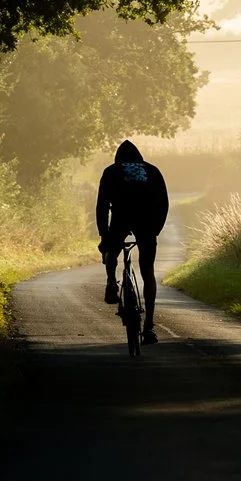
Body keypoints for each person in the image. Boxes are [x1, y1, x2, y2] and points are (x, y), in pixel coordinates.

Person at [96, 138, 168, 340]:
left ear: (118, 158)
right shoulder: (152, 171)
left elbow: (102, 207)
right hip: (146, 222)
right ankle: (149, 326)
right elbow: (163, 203)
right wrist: (156, 230)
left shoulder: (111, 171)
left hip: (120, 218)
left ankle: (111, 282)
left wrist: (104, 236)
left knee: (111, 251)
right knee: (148, 271)